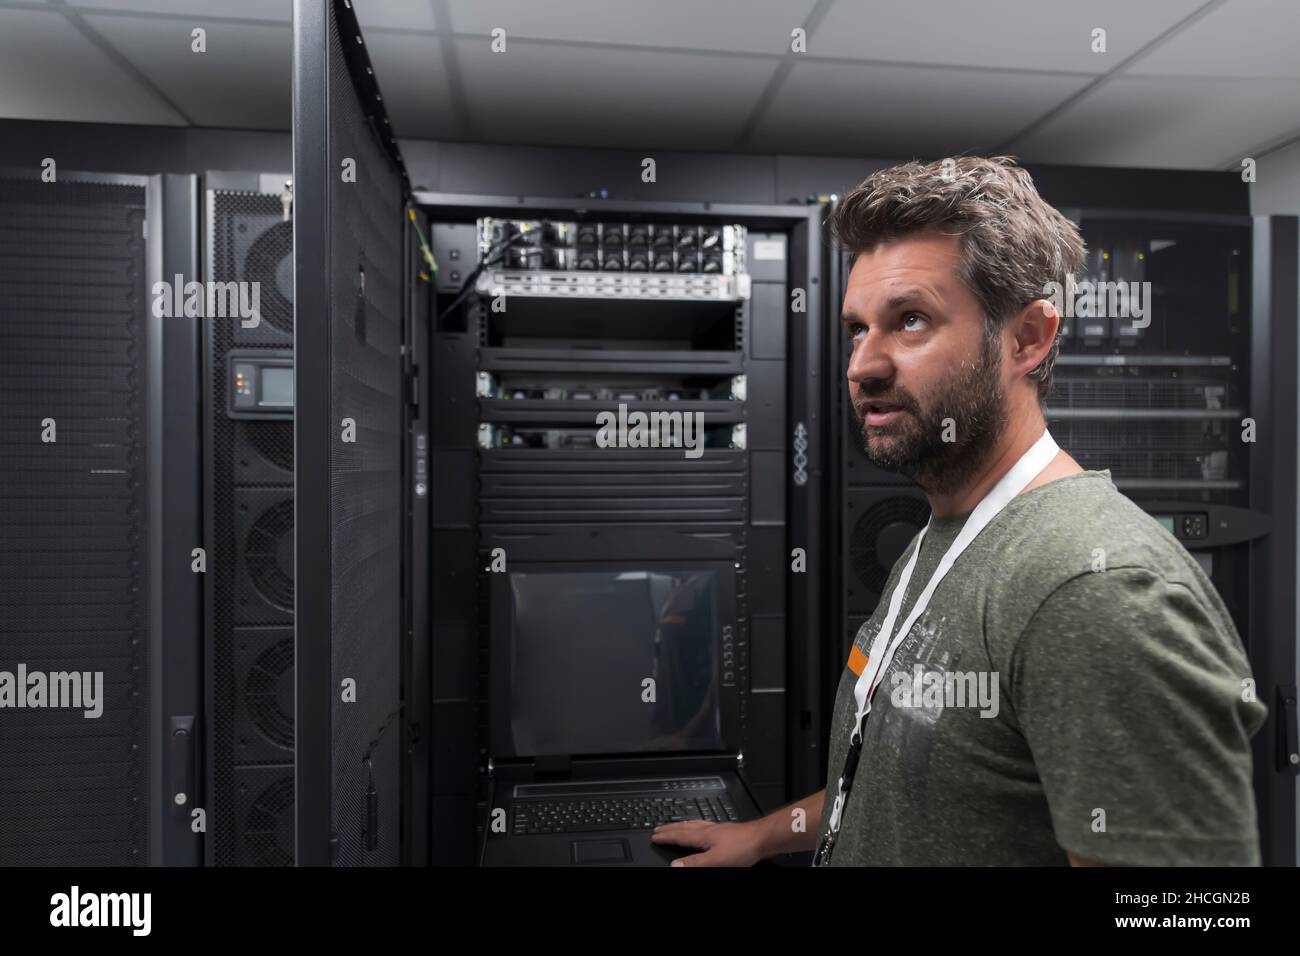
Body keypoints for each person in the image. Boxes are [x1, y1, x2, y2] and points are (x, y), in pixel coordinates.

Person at [651, 156, 1267, 866]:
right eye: (859, 328)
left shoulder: (1097, 589)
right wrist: (763, 838)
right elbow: (913, 788)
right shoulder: (941, 536)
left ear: (1027, 339)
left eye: (910, 321)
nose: (863, 365)